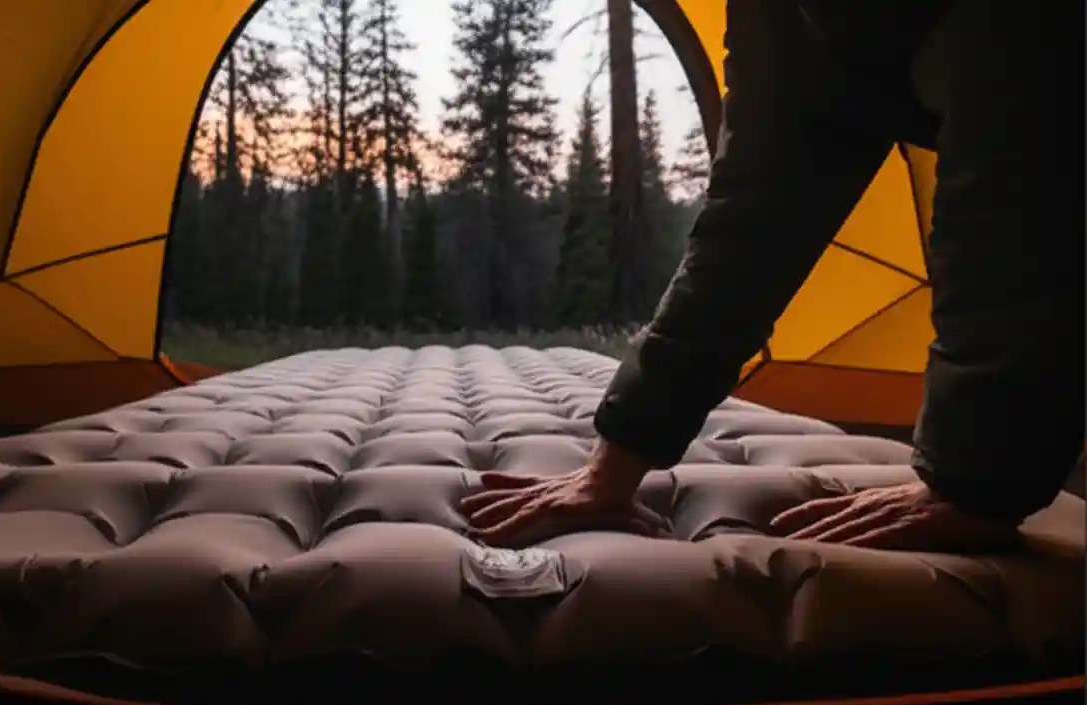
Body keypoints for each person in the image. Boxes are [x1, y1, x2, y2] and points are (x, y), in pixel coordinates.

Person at [460, 0, 1085, 553]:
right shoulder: (779, 20)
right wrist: (616, 463)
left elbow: (1023, 189)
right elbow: (747, 229)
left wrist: (973, 485)